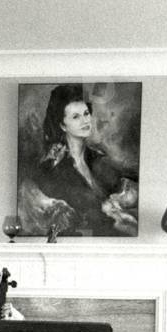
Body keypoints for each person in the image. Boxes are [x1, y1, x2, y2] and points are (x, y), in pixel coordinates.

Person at [20, 83, 138, 238]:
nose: (85, 120)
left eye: (86, 113)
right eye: (76, 117)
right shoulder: (52, 169)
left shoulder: (100, 159)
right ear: (63, 125)